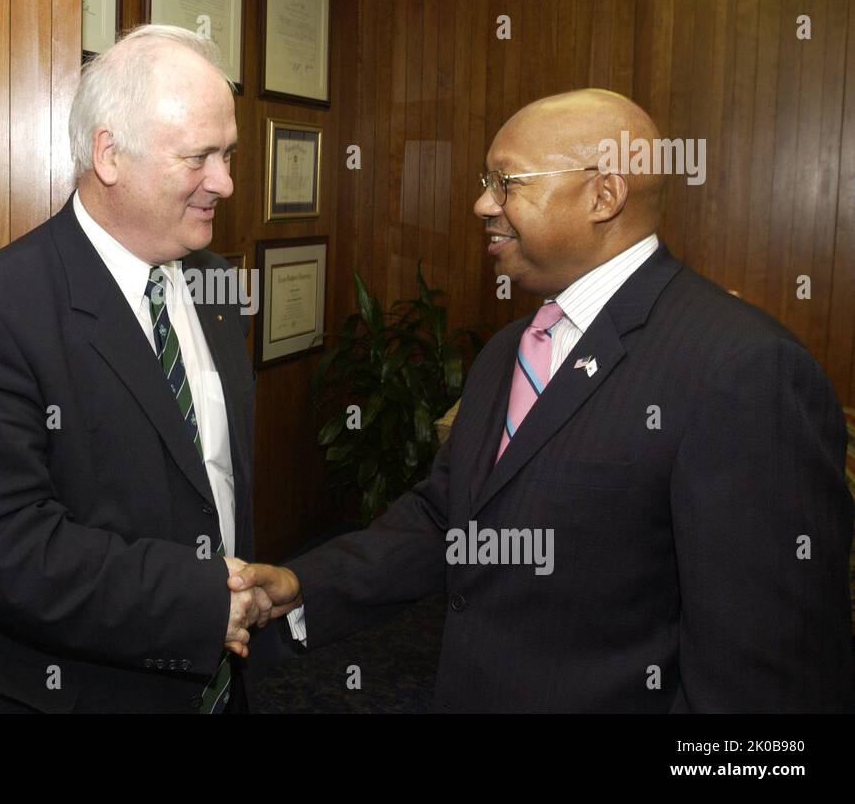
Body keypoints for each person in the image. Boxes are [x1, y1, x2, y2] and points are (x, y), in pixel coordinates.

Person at [234, 88, 854, 712]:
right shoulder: (512, 347)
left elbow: (771, 683)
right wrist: (303, 583)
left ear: (603, 196)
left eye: (507, 183)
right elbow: (450, 521)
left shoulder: (744, 369)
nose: (482, 203)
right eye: (486, 181)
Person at [0, 25, 276, 713]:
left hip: (211, 677)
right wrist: (199, 602)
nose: (225, 182)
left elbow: (211, 482)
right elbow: (1, 547)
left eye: (227, 154)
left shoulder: (217, 286)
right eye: (199, 157)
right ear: (109, 154)